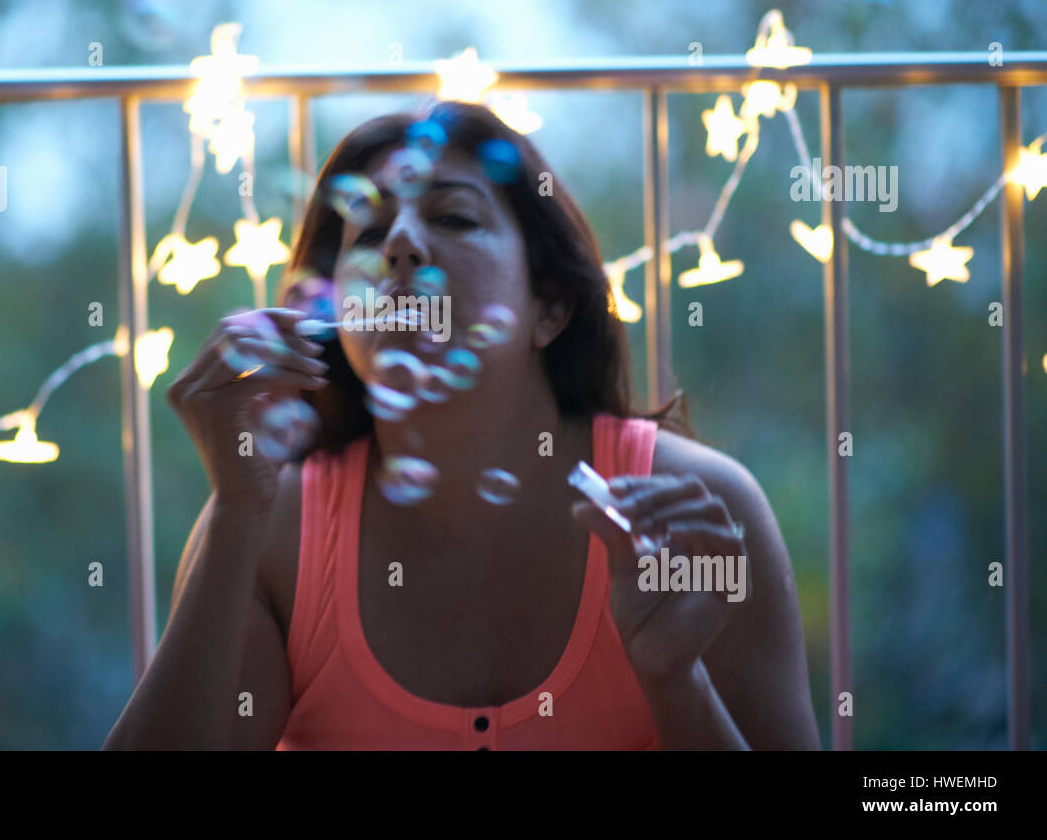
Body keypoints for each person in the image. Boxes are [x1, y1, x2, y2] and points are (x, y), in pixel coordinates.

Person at [103, 100, 821, 750]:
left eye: (451, 217)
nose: (401, 248)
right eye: (372, 230)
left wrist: (675, 682)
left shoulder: (698, 515)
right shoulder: (272, 528)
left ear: (550, 308)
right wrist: (234, 511)